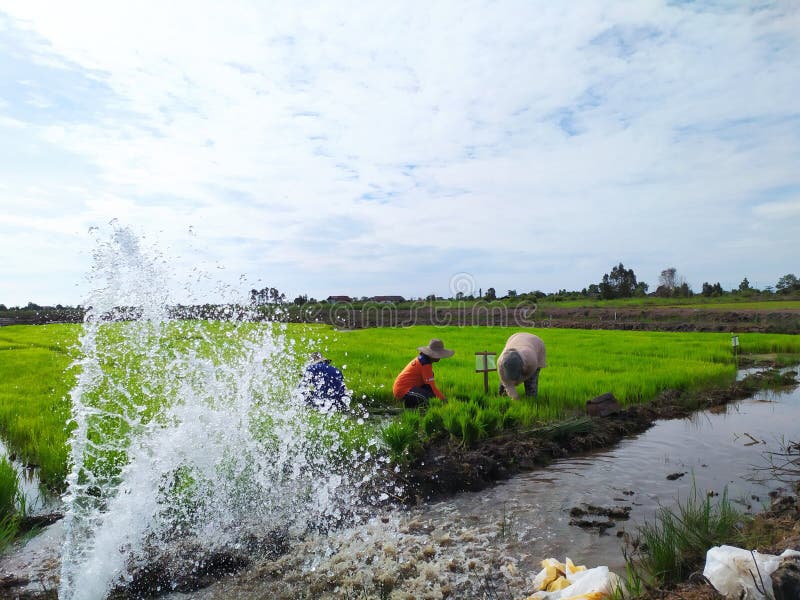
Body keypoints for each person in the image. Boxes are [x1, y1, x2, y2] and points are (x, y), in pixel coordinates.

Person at [393, 338, 455, 408]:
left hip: (410, 387)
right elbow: (432, 387)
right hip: (403, 390)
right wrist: (444, 400)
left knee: (431, 396)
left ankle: (411, 406)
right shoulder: (425, 364)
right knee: (428, 400)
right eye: (438, 354)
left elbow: (429, 385)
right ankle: (410, 408)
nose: (440, 357)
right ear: (431, 354)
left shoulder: (424, 359)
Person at [497, 332, 546, 400]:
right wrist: (515, 398)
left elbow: (528, 375)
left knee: (531, 381)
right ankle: (502, 396)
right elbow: (506, 383)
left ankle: (531, 398)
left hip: (536, 344)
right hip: (515, 338)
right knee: (504, 381)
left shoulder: (531, 361)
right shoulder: (500, 363)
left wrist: (516, 382)